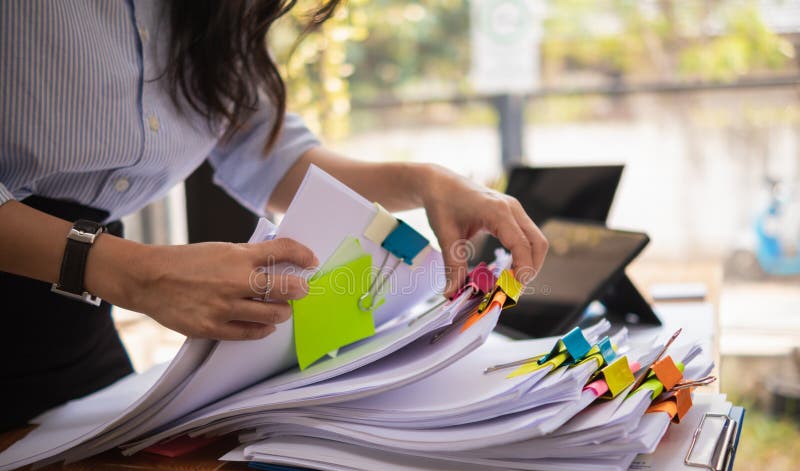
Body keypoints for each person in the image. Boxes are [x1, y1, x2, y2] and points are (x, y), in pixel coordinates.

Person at [0, 0, 548, 430]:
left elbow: (271, 154)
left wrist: (426, 181)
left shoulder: (209, 13)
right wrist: (137, 273)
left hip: (75, 324)